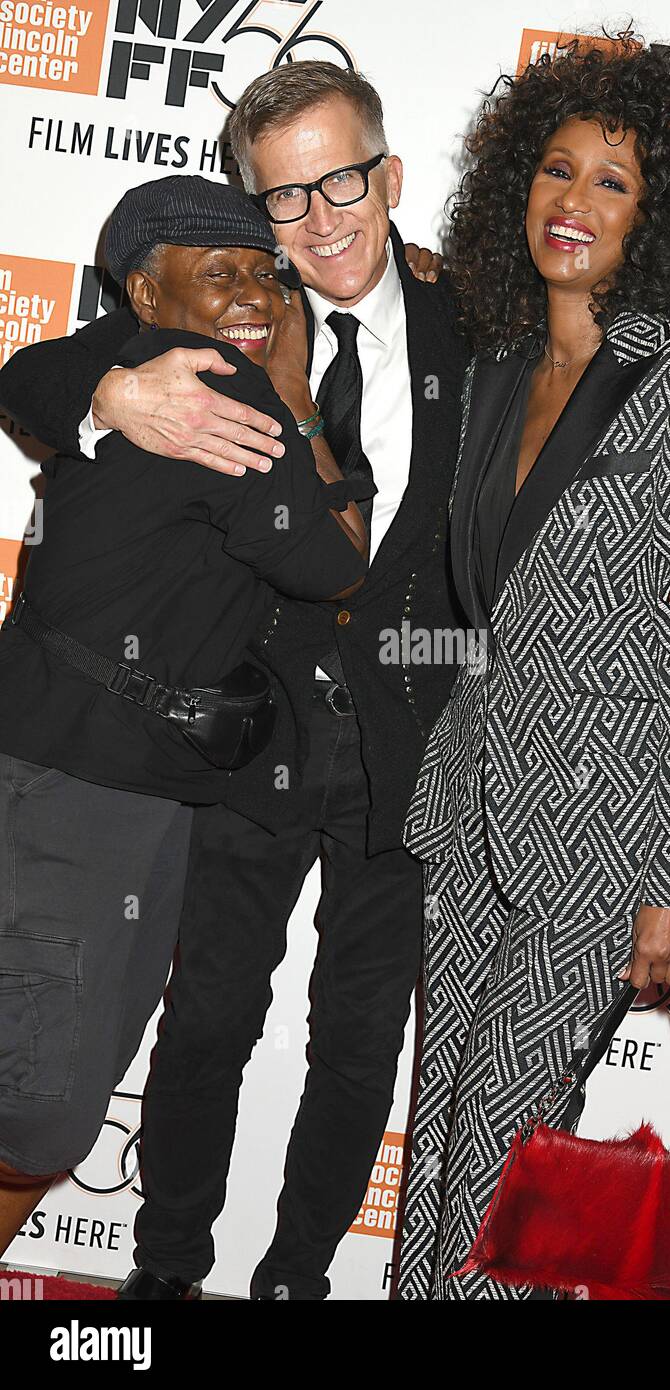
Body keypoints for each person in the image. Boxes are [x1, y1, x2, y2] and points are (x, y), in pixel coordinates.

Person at [0, 62, 670, 1303]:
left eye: (341, 182)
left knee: (362, 1050)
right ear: (254, 212)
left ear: (389, 179)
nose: (319, 220)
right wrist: (105, 387)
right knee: (204, 1031)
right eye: (285, 199)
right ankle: (163, 1278)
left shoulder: (488, 324)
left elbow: (607, 514)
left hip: (423, 759)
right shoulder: (225, 319)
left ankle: (298, 1281)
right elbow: (38, 372)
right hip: (250, 742)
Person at [397, 36, 670, 1300]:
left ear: (660, 212)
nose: (574, 201)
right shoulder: (487, 368)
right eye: (557, 170)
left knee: (506, 1161)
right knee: (443, 1123)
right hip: (469, 809)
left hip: (602, 837)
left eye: (614, 180)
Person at [0, 173, 369, 1260]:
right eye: (220, 273)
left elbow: (30, 375)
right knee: (41, 1109)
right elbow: (331, 562)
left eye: (264, 269)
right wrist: (298, 400)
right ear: (142, 289)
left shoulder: (118, 372)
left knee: (36, 1100)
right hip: (92, 800)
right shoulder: (228, 395)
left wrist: (102, 388)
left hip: (65, 768)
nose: (255, 290)